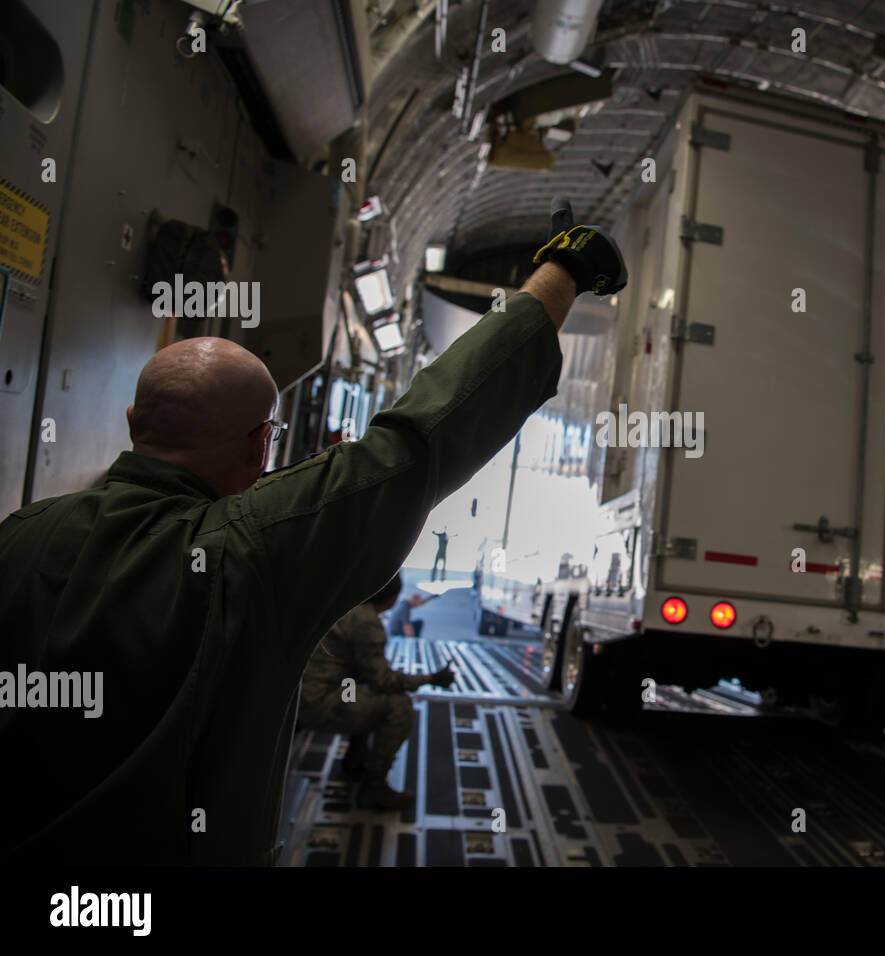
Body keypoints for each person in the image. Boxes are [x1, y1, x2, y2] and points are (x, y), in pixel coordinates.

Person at [0, 221, 626, 865]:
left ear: (133, 423)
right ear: (259, 444)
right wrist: (565, 271)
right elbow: (419, 439)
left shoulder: (18, 539)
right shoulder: (252, 551)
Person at [298, 574, 452, 810]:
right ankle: (374, 788)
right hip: (318, 702)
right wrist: (430, 678)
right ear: (390, 598)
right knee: (398, 706)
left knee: (365, 694)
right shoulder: (366, 620)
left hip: (302, 698)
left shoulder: (346, 606)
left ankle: (354, 764)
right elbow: (384, 680)